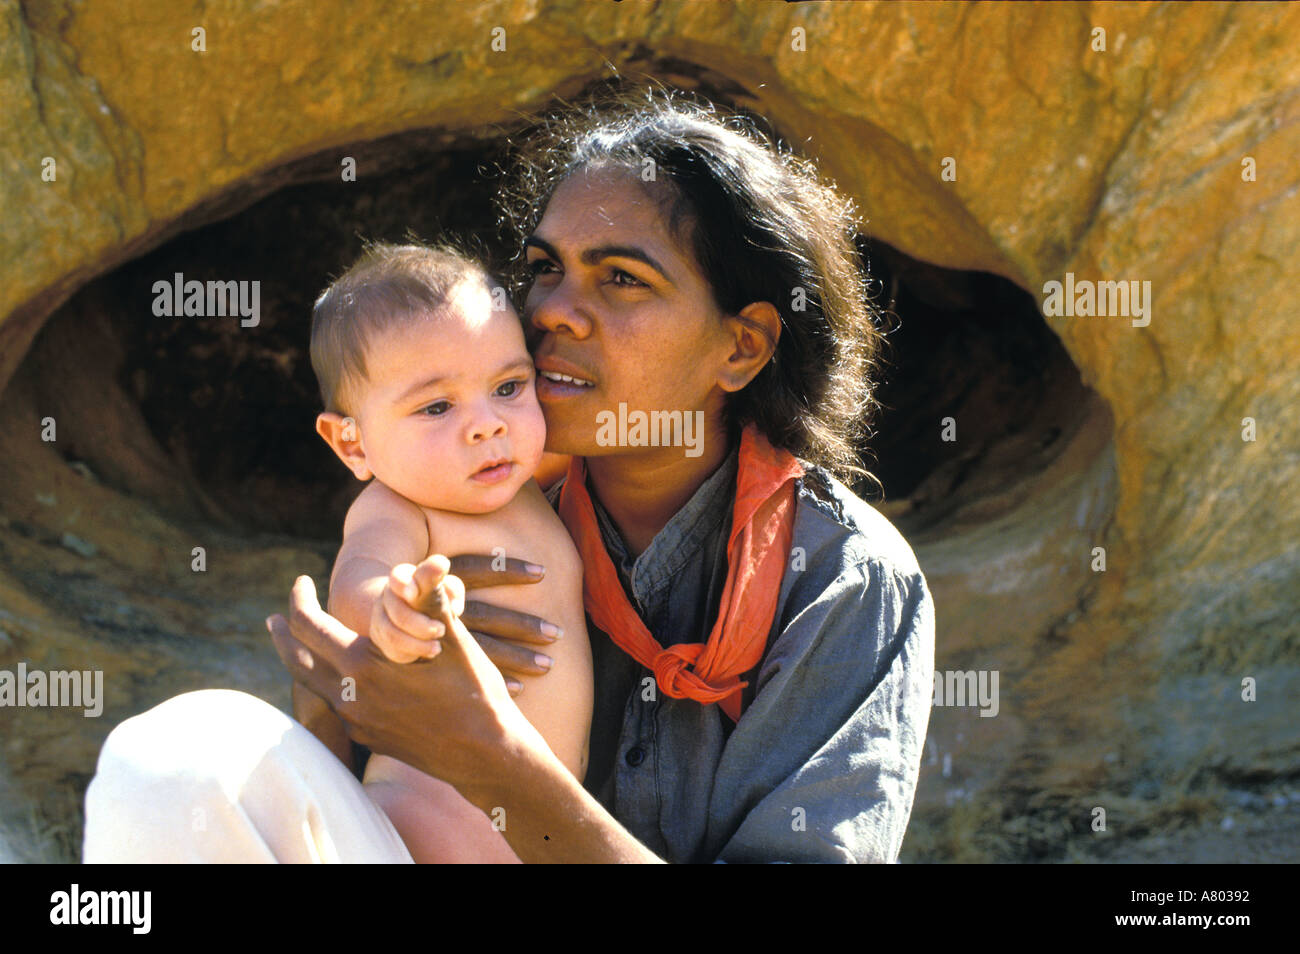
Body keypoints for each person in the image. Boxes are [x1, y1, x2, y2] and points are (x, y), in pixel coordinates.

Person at [82, 89, 935, 864]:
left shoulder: (845, 580)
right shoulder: (481, 494)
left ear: (739, 346)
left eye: (622, 278)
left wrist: (493, 761)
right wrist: (335, 712)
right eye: (542, 268)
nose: (553, 309)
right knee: (179, 761)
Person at [302, 241, 592, 862]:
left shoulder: (528, 481)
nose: (488, 424)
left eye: (509, 386)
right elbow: (356, 578)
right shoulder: (397, 508)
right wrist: (393, 608)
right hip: (414, 828)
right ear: (351, 444)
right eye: (437, 406)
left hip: (536, 835)